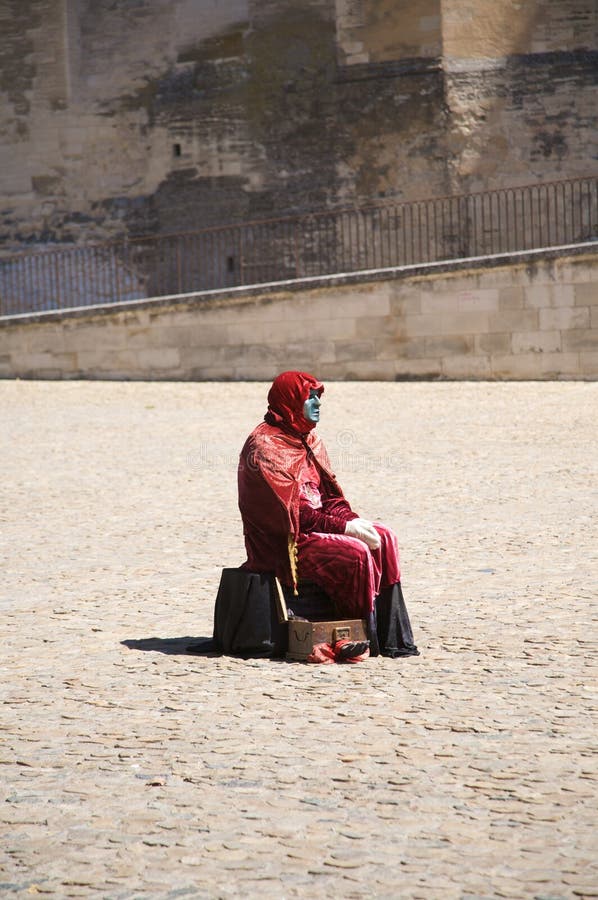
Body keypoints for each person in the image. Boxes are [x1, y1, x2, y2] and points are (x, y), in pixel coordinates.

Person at [238, 371, 419, 658]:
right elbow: (294, 514)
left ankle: (389, 636)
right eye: (309, 398)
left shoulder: (310, 440)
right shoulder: (264, 446)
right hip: (285, 543)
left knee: (386, 538)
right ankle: (352, 634)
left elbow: (329, 497)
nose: (317, 404)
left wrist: (350, 518)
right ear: (290, 402)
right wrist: (345, 529)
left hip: (314, 528)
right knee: (354, 552)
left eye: (318, 397)